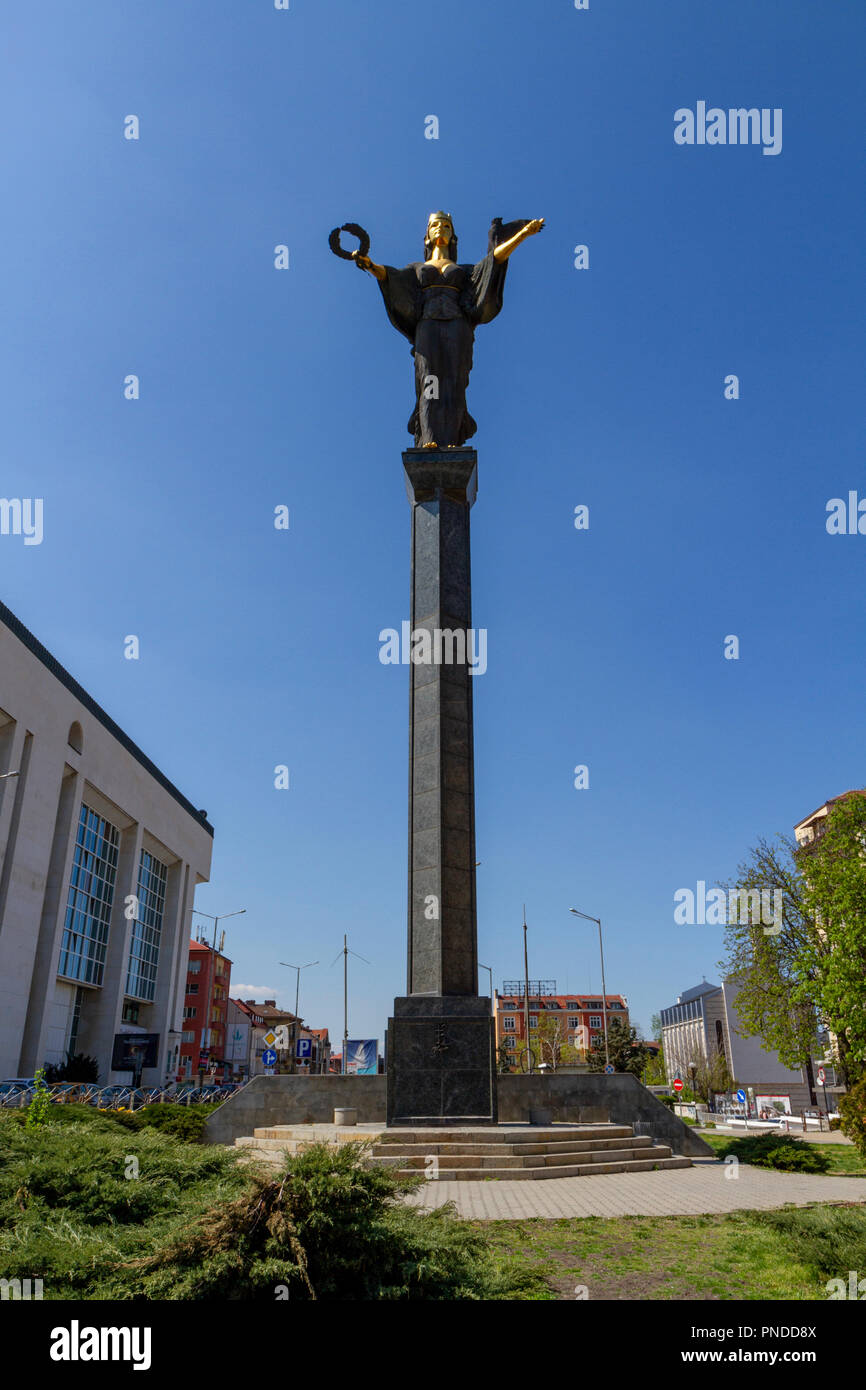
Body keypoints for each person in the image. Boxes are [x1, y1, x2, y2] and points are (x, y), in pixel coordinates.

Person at [351, 211, 544, 447]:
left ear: (453, 235)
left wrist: (522, 234)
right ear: (427, 236)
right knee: (429, 379)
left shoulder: (464, 270)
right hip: (428, 325)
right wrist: (369, 264)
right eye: (435, 225)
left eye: (446, 226)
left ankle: (452, 439)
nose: (440, 228)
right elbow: (391, 276)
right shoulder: (416, 268)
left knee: (453, 381)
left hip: (457, 325)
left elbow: (494, 260)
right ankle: (430, 439)